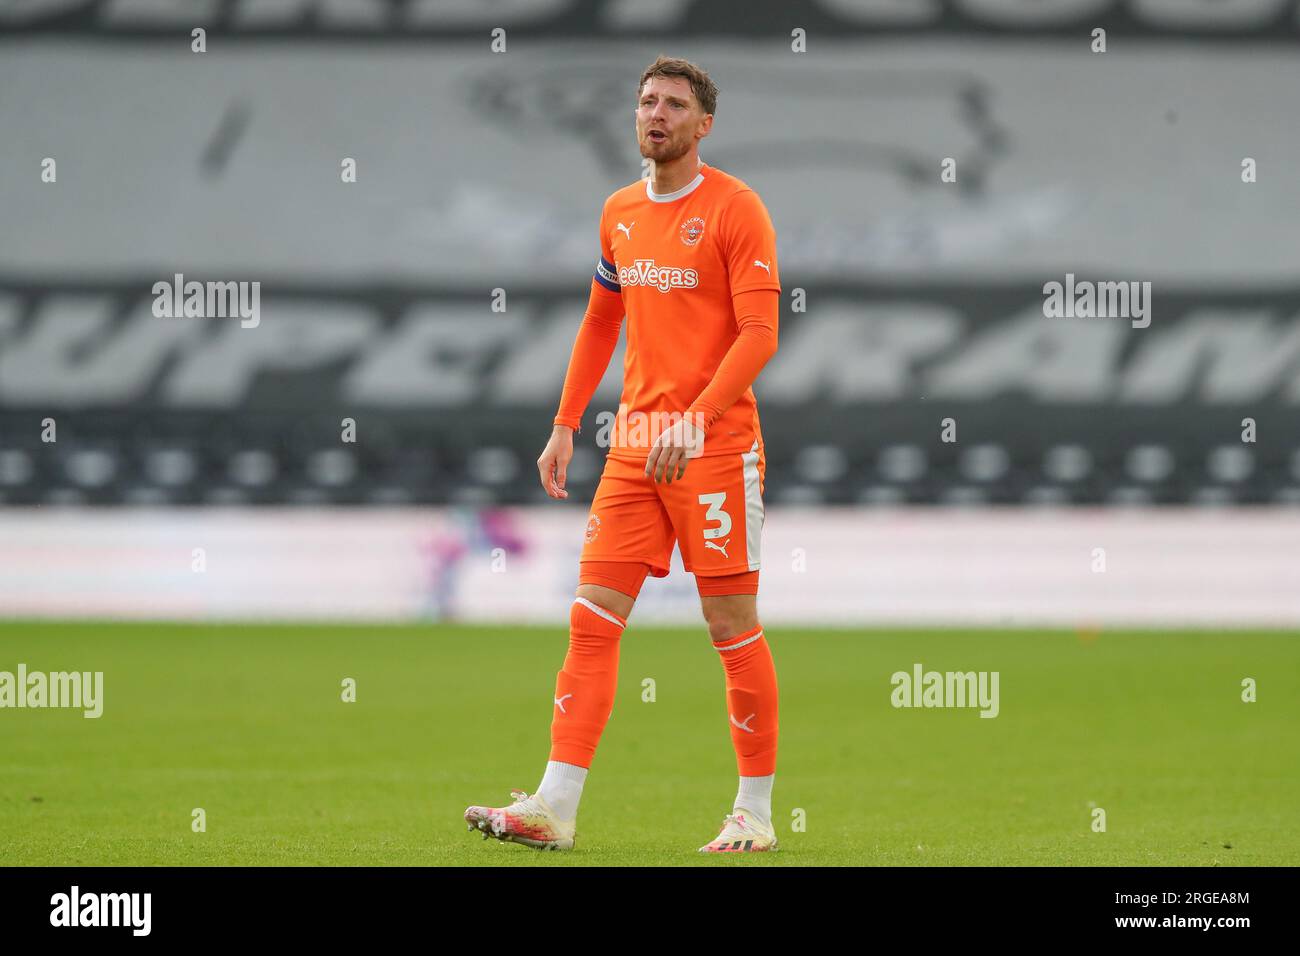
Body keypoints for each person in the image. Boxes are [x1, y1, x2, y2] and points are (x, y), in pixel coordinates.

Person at [465, 54, 782, 853]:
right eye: (647, 102)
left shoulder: (738, 209)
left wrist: (699, 418)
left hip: (714, 449)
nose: (657, 115)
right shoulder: (619, 213)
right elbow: (602, 321)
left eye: (674, 105)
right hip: (634, 445)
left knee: (730, 623)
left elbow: (760, 334)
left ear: (703, 124)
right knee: (592, 619)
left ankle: (755, 812)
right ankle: (554, 807)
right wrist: (567, 422)